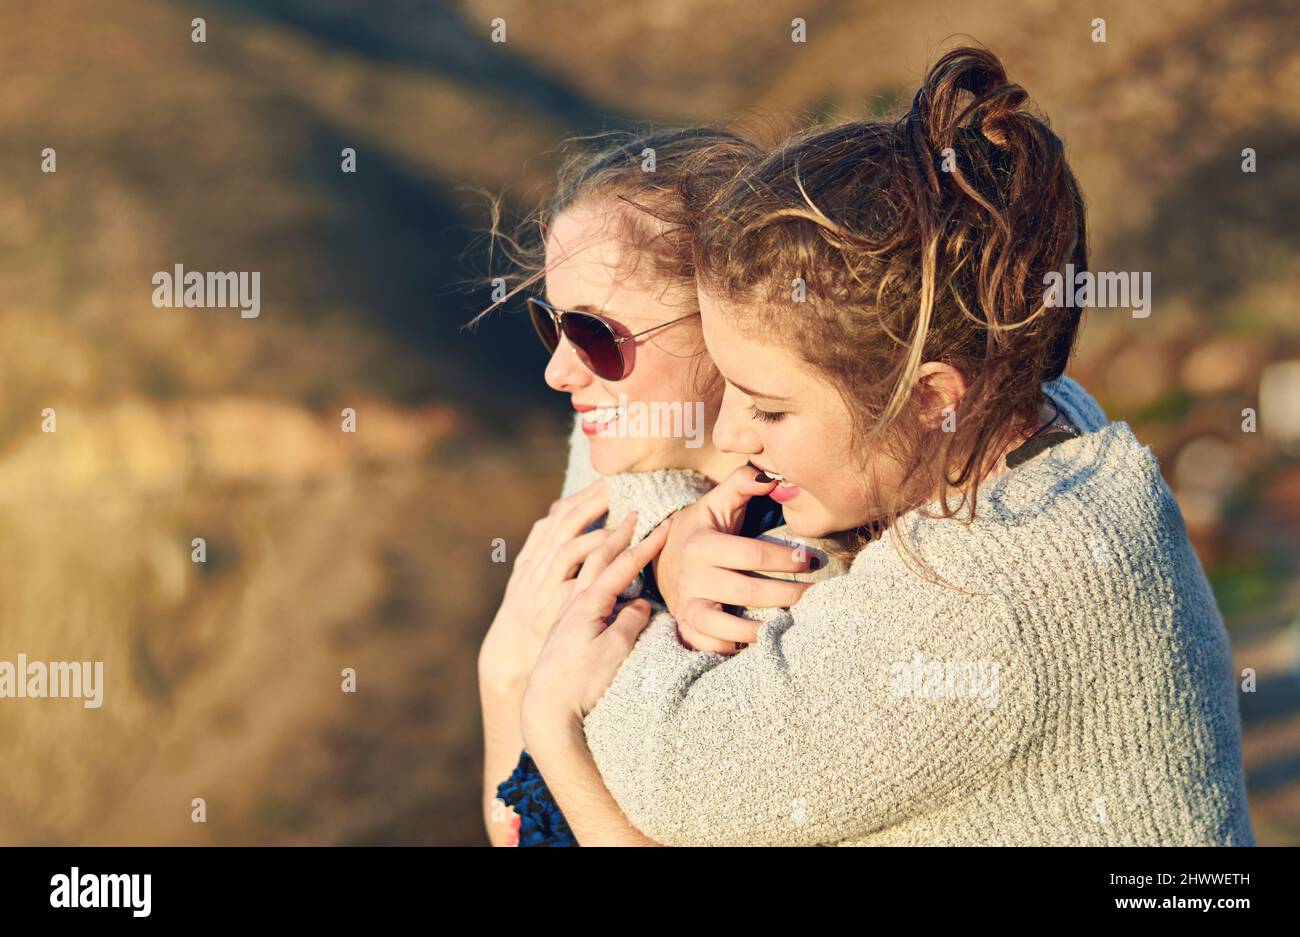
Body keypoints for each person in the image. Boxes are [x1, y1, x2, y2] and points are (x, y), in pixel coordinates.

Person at [519, 47, 1255, 846]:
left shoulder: (983, 602)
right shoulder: (1039, 425)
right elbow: (616, 438)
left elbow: (677, 778)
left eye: (767, 408)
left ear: (931, 396)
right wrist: (668, 544)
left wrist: (559, 675)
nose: (732, 436)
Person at [473, 128, 848, 846]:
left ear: (724, 318)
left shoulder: (802, 565)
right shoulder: (609, 500)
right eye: (550, 326)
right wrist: (502, 680)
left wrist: (537, 702)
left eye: (593, 335)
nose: (558, 372)